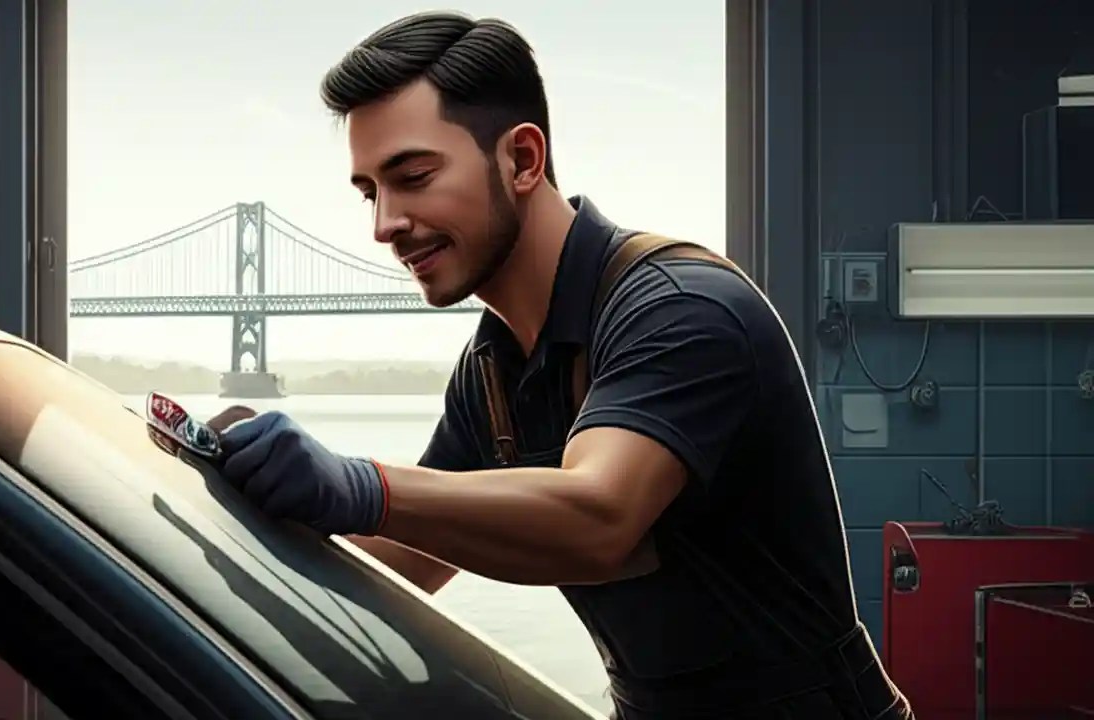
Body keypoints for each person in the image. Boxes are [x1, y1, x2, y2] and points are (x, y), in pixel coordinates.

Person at [207, 11, 912, 720]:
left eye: (413, 176)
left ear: (521, 159)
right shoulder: (493, 368)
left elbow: (598, 518)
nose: (384, 224)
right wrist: (227, 515)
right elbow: (409, 559)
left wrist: (358, 484)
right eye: (370, 192)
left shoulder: (682, 310)